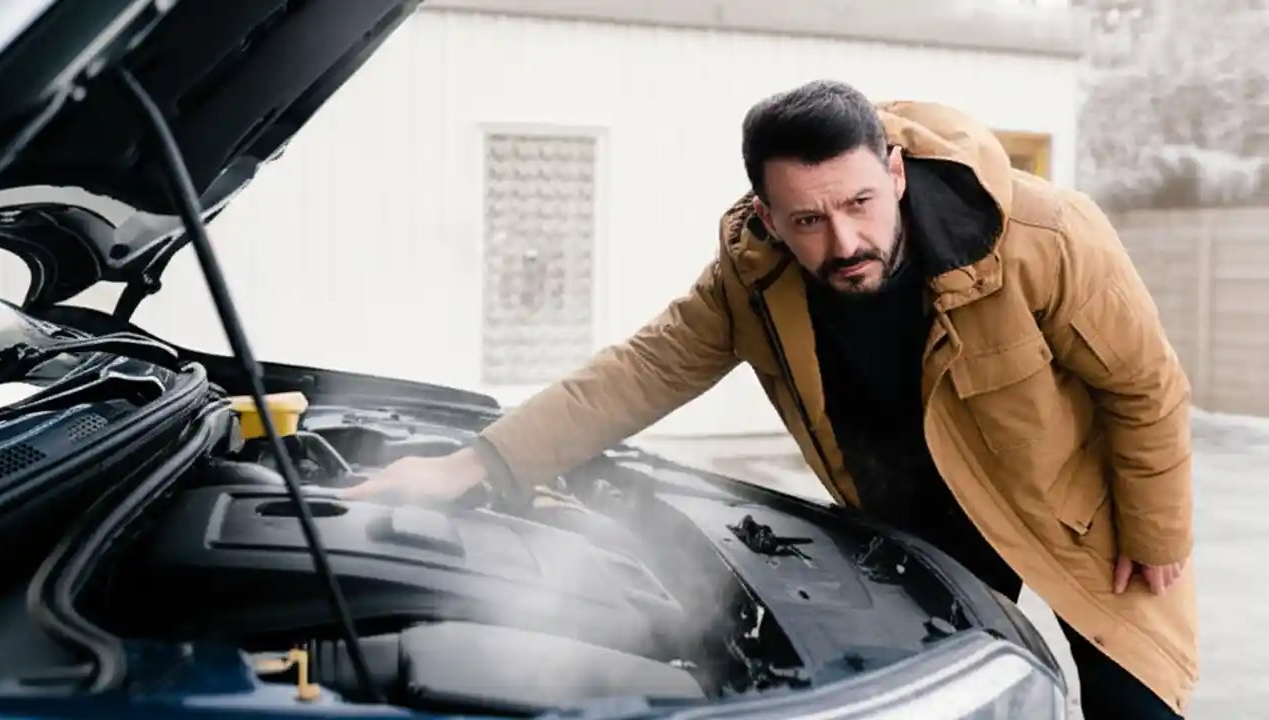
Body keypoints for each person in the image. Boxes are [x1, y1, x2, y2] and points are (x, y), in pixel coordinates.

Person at [345, 80, 1198, 719]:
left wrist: (1158, 528)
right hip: (919, 520)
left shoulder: (1041, 234)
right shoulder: (750, 282)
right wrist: (474, 464)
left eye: (860, 203)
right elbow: (637, 372)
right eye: (807, 221)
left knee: (1136, 709)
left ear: (895, 172)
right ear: (767, 212)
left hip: (1085, 514)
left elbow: (1145, 385)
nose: (845, 241)